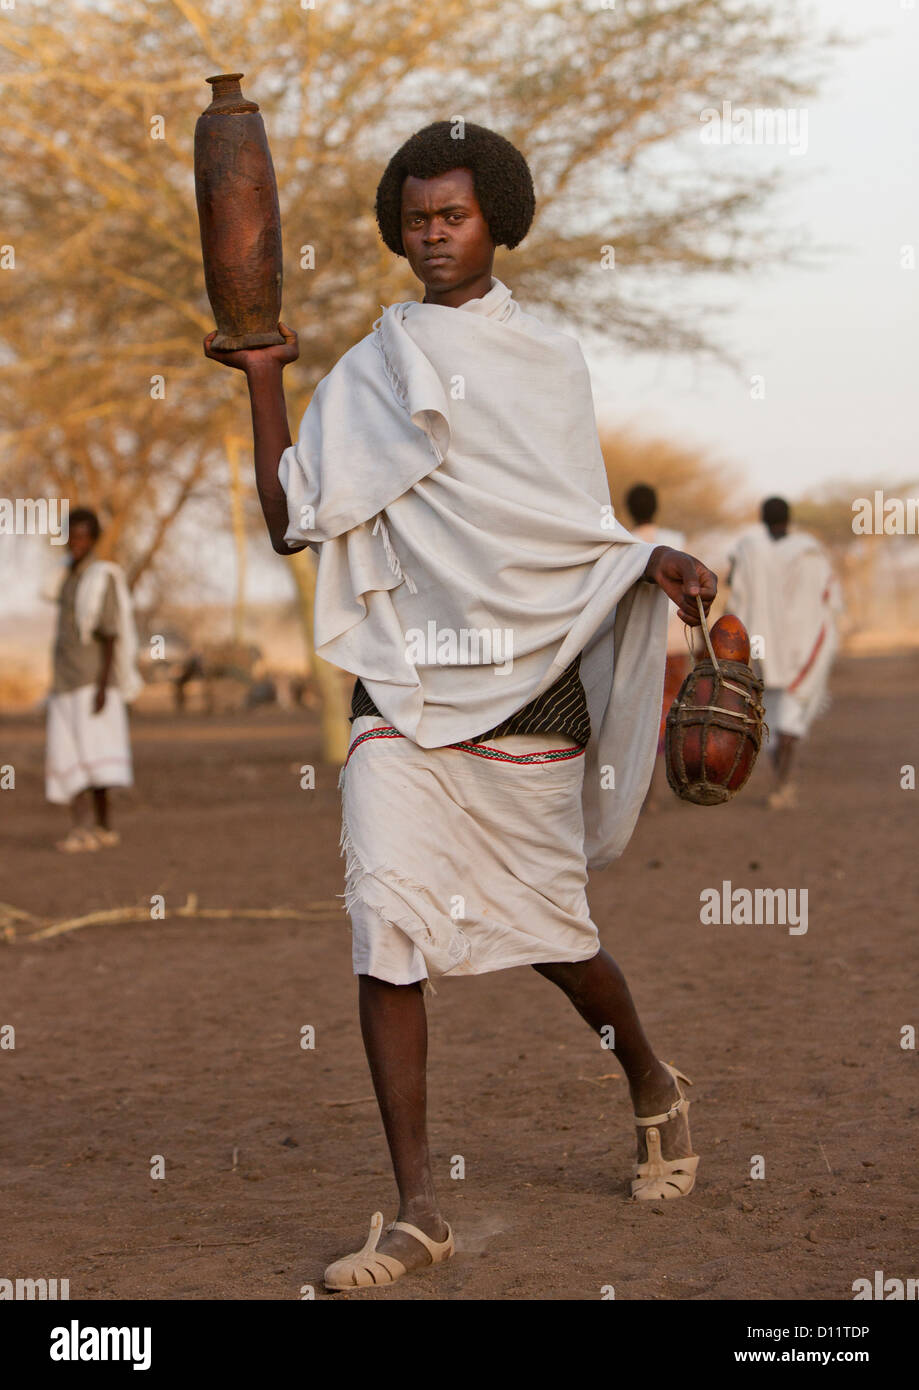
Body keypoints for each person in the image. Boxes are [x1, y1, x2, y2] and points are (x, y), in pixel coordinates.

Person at [204, 121, 718, 1289]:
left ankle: (646, 1075)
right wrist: (267, 374)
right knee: (385, 920)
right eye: (417, 217)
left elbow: (564, 528)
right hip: (403, 678)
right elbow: (292, 516)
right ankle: (417, 1207)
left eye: (455, 216)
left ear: (498, 221)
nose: (432, 236)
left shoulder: (547, 356)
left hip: (529, 680)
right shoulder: (378, 361)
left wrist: (647, 559)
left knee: (553, 935)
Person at [728, 496, 842, 809]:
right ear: (789, 518)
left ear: (763, 520)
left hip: (763, 647)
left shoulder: (748, 550)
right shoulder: (811, 552)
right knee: (788, 717)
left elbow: (735, 595)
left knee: (774, 714)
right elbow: (830, 600)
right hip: (803, 646)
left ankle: (782, 780)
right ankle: (783, 783)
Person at [44, 508, 142, 851]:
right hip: (64, 682)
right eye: (71, 535)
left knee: (95, 759)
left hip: (92, 681)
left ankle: (98, 828)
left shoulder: (102, 577)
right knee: (69, 757)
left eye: (83, 535)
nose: (77, 542)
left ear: (94, 538)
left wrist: (103, 687)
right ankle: (85, 829)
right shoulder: (65, 578)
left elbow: (112, 634)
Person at [625, 483, 690, 808]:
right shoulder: (676, 542)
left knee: (645, 713)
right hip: (676, 643)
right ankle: (679, 781)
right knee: (675, 709)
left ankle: (646, 792)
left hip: (639, 648)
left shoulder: (623, 542)